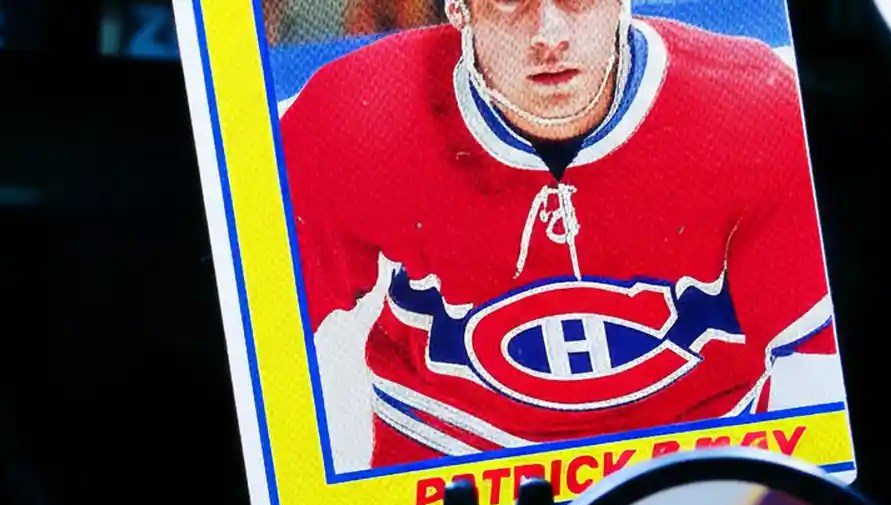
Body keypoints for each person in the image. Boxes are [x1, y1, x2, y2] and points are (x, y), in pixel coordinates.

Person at [279, 0, 839, 470]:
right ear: (458, 6)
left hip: (692, 472)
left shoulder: (754, 105)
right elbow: (263, 347)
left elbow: (821, 380)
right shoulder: (353, 114)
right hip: (450, 469)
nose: (549, 34)